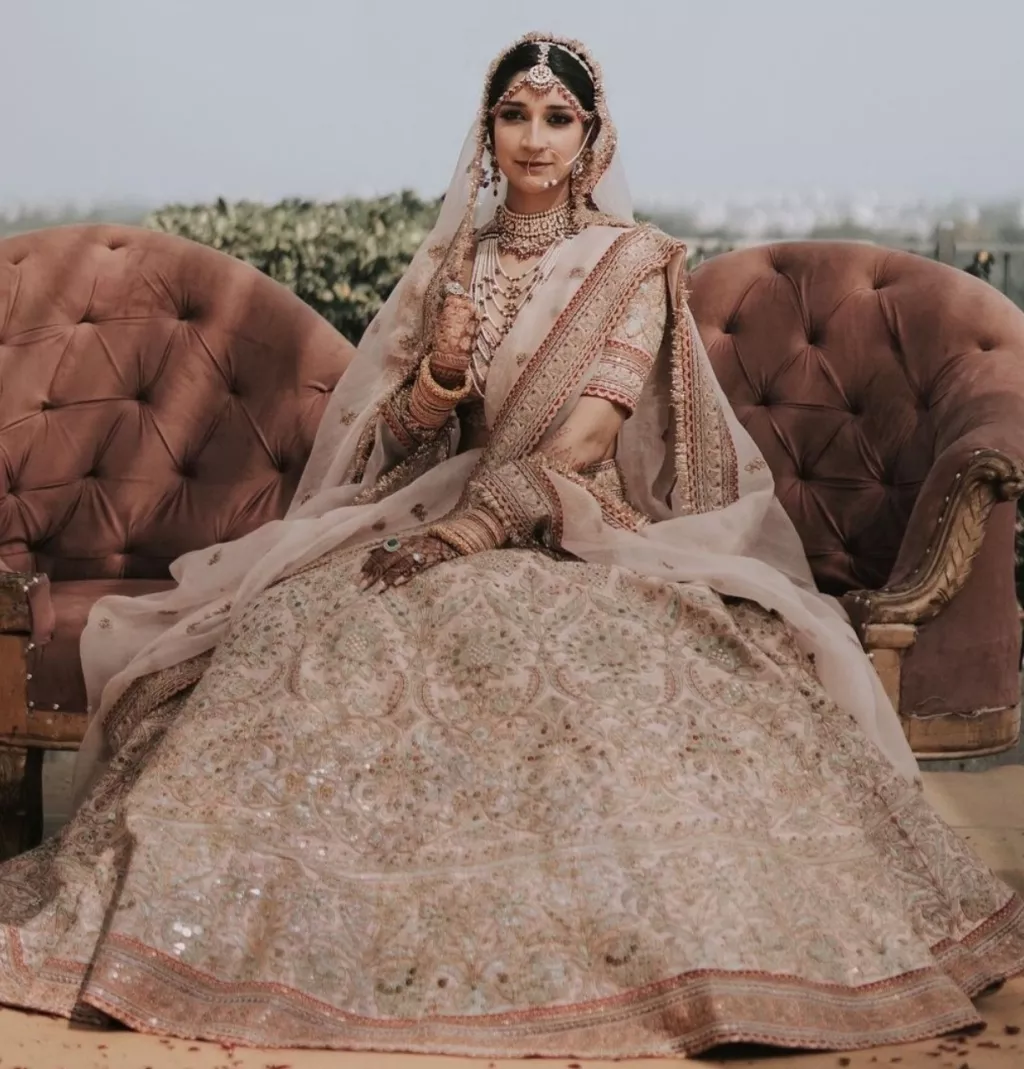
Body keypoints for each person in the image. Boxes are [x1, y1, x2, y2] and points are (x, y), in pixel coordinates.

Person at [0, 31, 1022, 1059]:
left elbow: (586, 437)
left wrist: (473, 529)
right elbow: (396, 439)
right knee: (302, 632)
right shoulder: (456, 260)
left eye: (557, 118)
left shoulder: (630, 264)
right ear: (487, 132)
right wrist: (440, 379)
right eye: (514, 115)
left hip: (571, 524)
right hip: (434, 501)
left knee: (587, 669)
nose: (534, 138)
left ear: (591, 137)